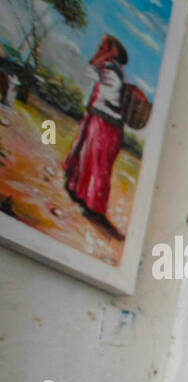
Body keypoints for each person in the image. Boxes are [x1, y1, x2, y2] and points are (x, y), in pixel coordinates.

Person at [63, 34, 129, 239]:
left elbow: (88, 70)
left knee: (97, 164)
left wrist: (101, 56)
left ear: (112, 52)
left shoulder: (109, 72)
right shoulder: (113, 72)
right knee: (90, 159)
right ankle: (82, 195)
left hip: (104, 124)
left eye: (104, 46)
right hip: (105, 123)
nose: (99, 48)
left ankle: (93, 205)